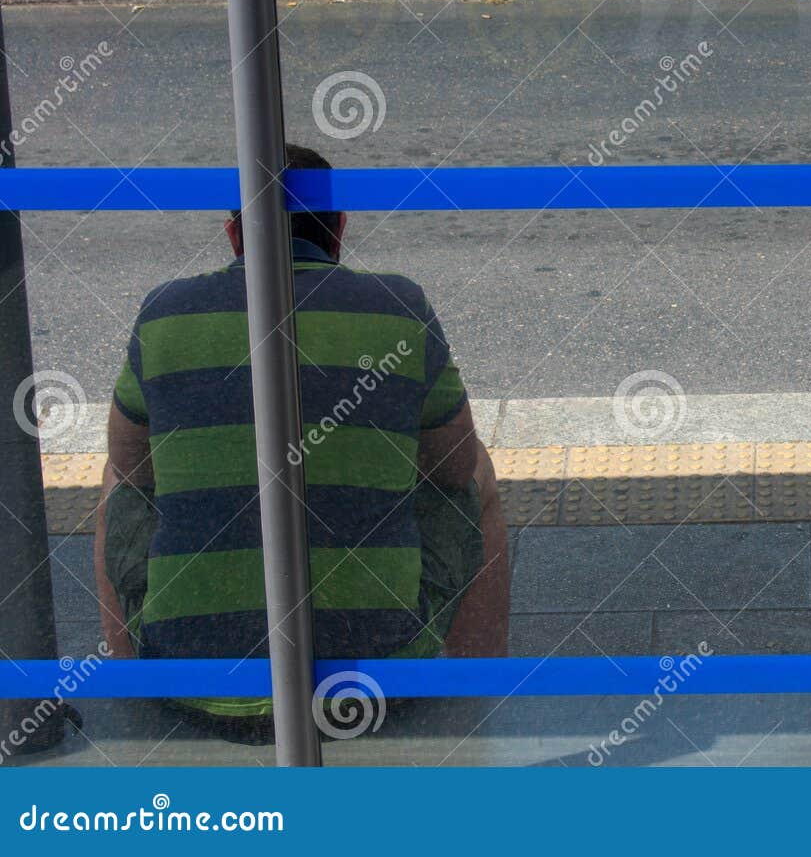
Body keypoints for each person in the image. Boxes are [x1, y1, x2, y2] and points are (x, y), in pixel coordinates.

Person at [92, 144, 508, 743]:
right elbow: (452, 466)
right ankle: (471, 696)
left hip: (198, 683)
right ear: (338, 227)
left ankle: (137, 695)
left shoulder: (164, 312)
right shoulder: (399, 305)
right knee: (477, 476)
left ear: (235, 232)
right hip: (375, 683)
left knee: (114, 481)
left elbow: (133, 465)